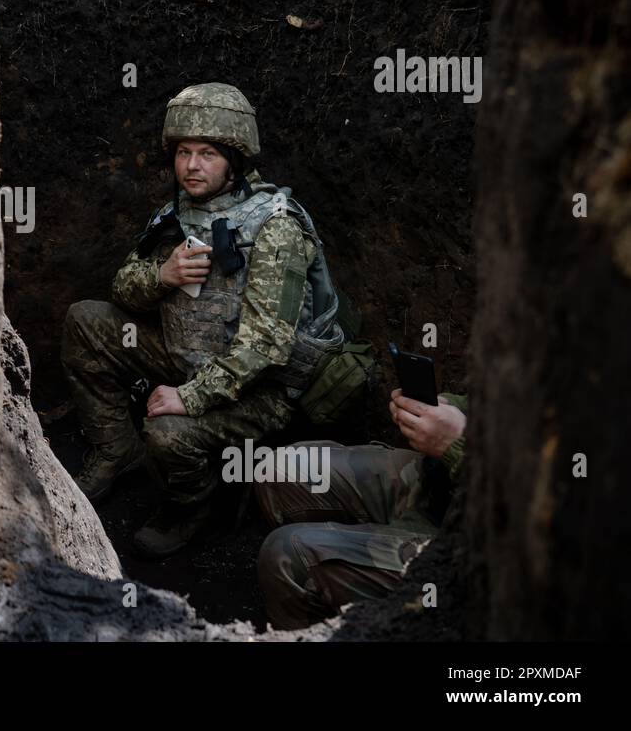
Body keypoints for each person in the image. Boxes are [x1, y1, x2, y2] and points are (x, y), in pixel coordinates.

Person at [61, 82, 346, 558]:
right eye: (184, 152)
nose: (192, 165)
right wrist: (163, 276)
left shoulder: (275, 226)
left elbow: (264, 348)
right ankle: (117, 450)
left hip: (259, 393)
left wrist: (188, 398)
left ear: (233, 159)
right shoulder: (179, 212)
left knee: (168, 434)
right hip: (183, 353)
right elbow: (122, 290)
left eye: (208, 153)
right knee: (85, 321)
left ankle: (193, 504)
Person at [254, 391, 467, 629]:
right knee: (279, 470)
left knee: (287, 554)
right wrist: (439, 410)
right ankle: (328, 604)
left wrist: (456, 445)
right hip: (441, 487)